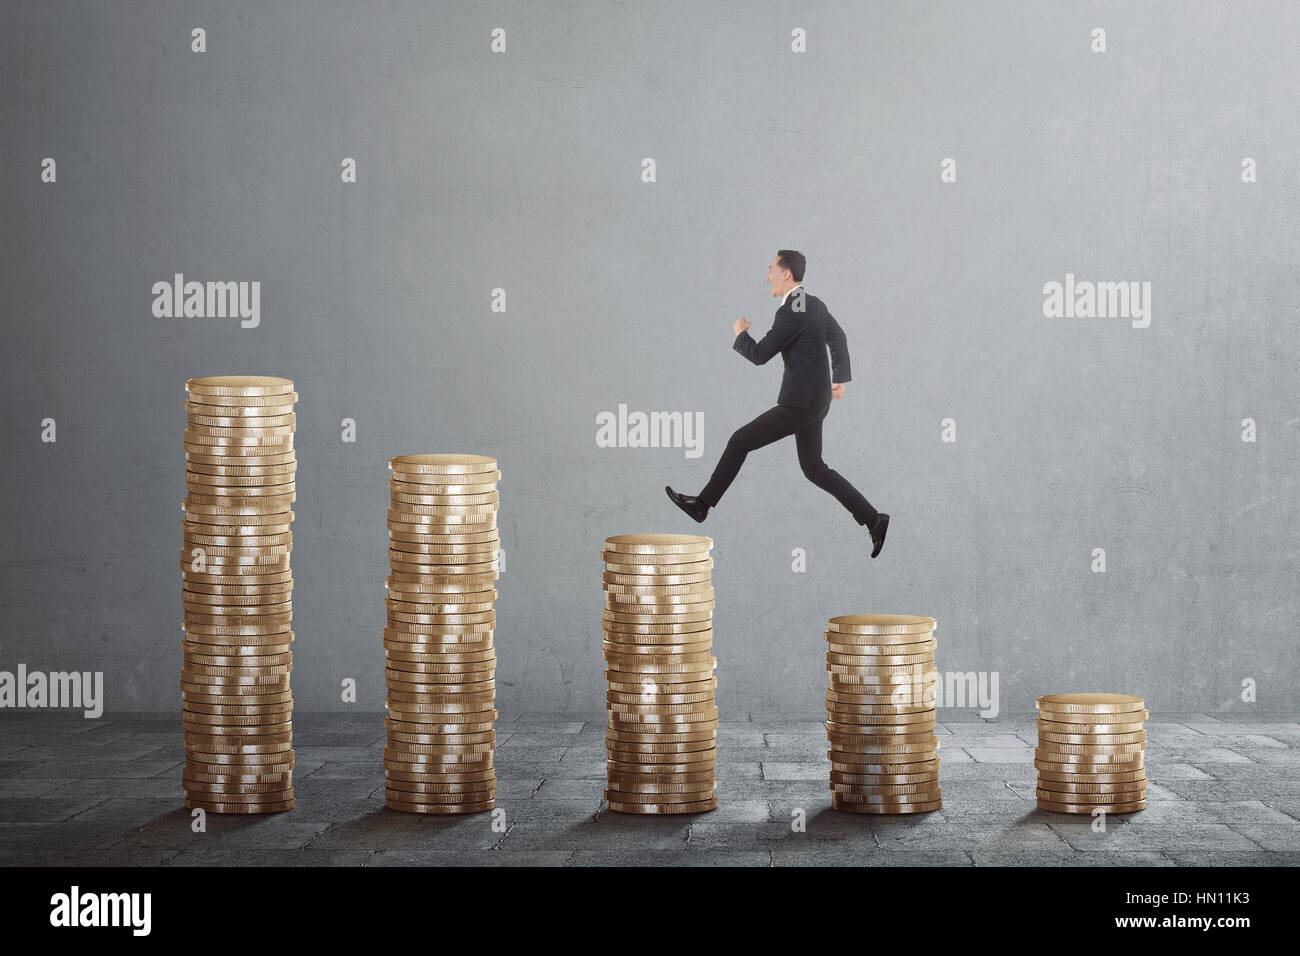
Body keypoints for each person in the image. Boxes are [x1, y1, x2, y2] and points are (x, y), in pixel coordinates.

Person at [666, 250, 889, 558]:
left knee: (740, 441)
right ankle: (873, 519)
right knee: (814, 469)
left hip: (800, 404)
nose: (767, 275)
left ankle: (702, 505)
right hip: (817, 401)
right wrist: (840, 376)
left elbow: (759, 355)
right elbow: (838, 337)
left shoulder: (791, 312)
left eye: (771, 268)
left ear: (787, 274)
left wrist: (741, 333)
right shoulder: (814, 304)